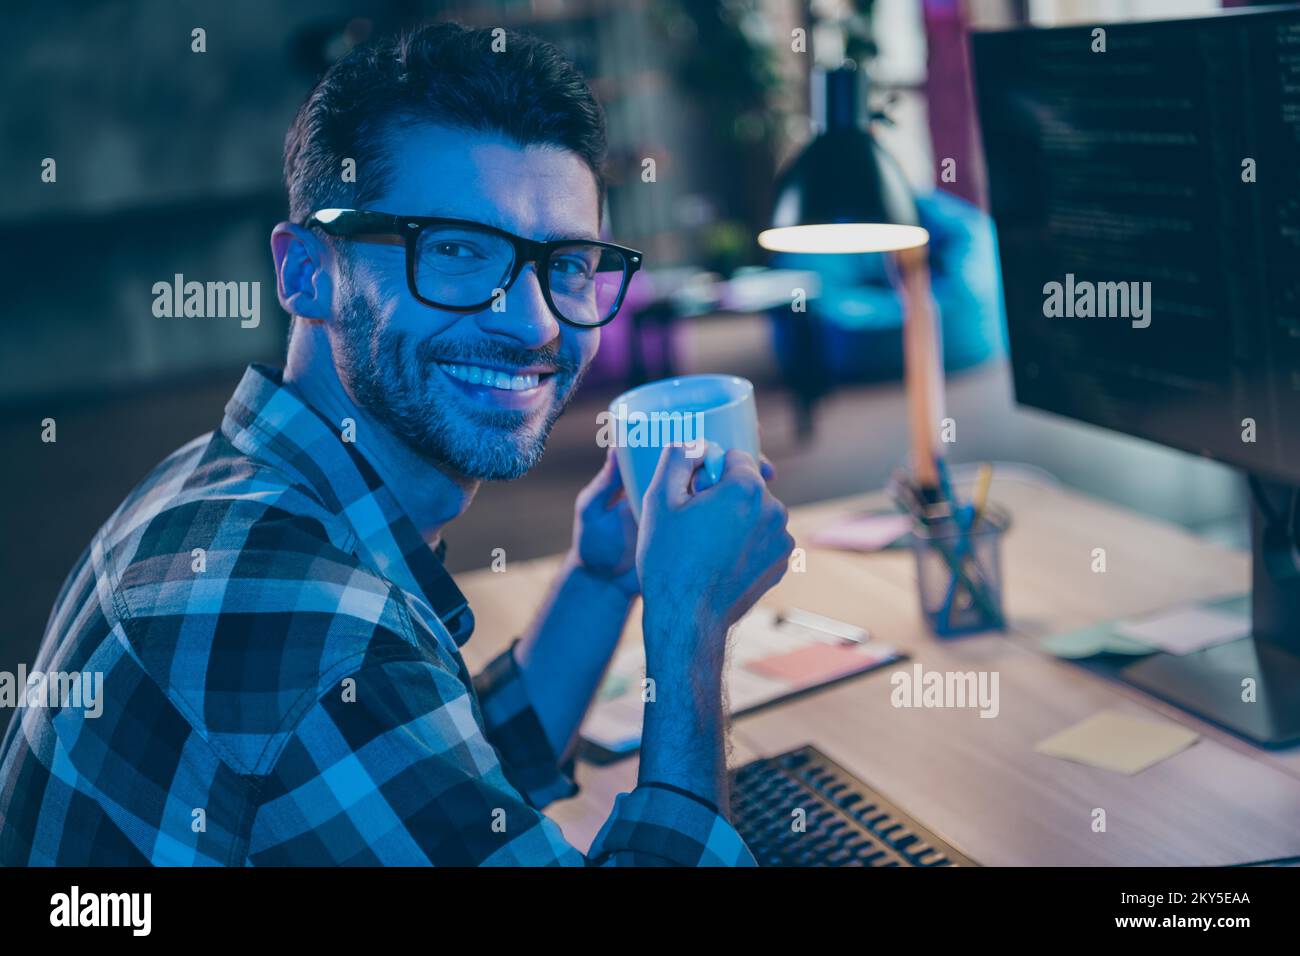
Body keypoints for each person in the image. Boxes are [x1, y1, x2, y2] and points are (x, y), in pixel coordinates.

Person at [0, 22, 793, 866]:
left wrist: (602, 579)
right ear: (307, 270)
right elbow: (358, 701)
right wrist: (690, 622)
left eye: (566, 263)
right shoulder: (300, 620)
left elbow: (441, 792)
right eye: (454, 250)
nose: (532, 322)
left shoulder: (218, 478)